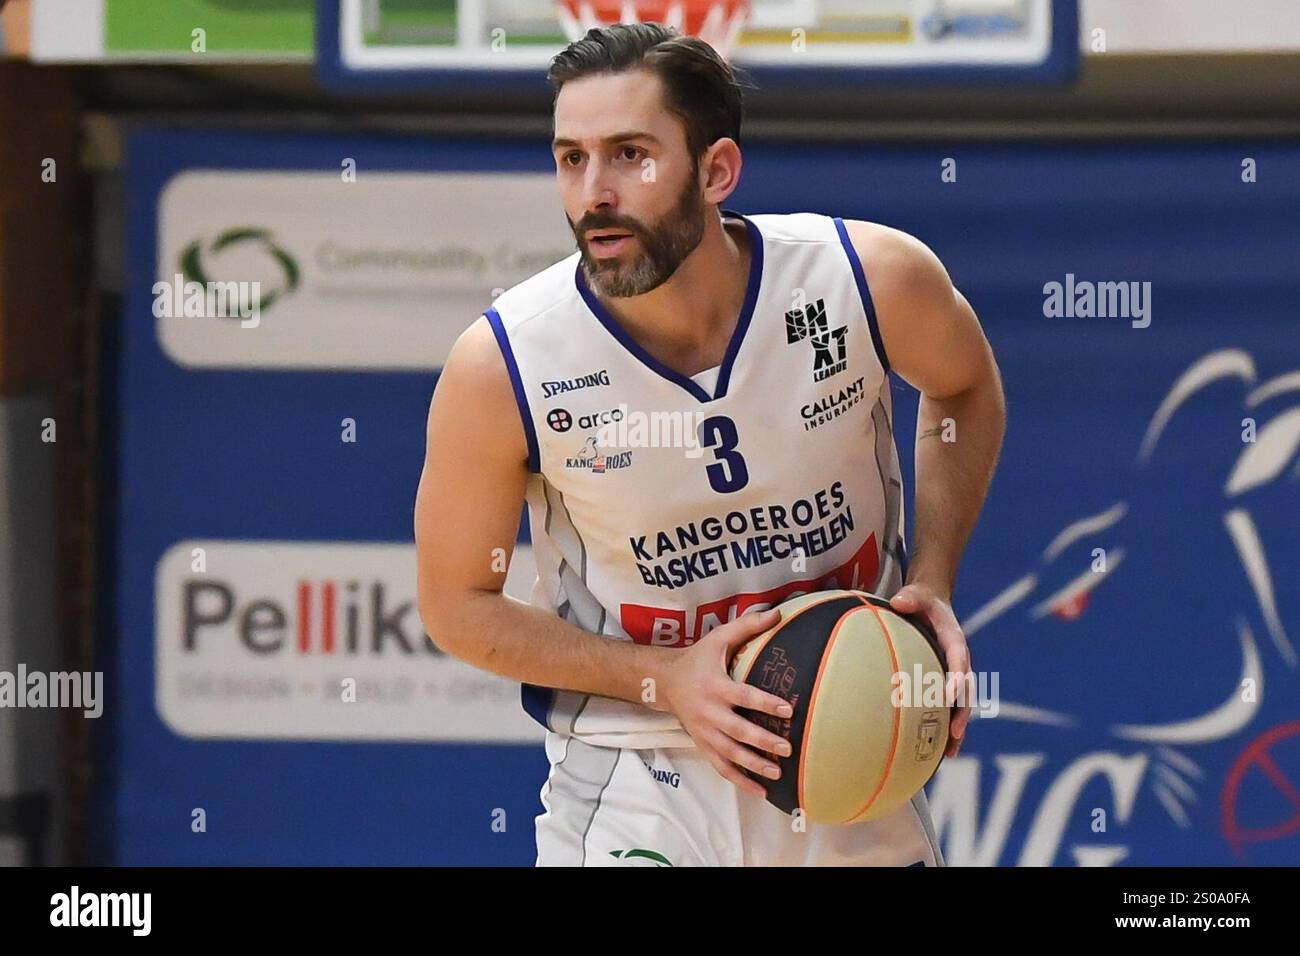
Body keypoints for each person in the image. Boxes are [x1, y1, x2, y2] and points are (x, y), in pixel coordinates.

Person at [414, 22, 1005, 866]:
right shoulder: (504, 364)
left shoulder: (865, 280)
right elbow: (457, 604)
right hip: (637, 783)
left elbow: (964, 385)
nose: (593, 193)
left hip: (853, 756)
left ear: (717, 170)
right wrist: (666, 678)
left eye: (629, 154)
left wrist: (934, 578)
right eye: (571, 158)